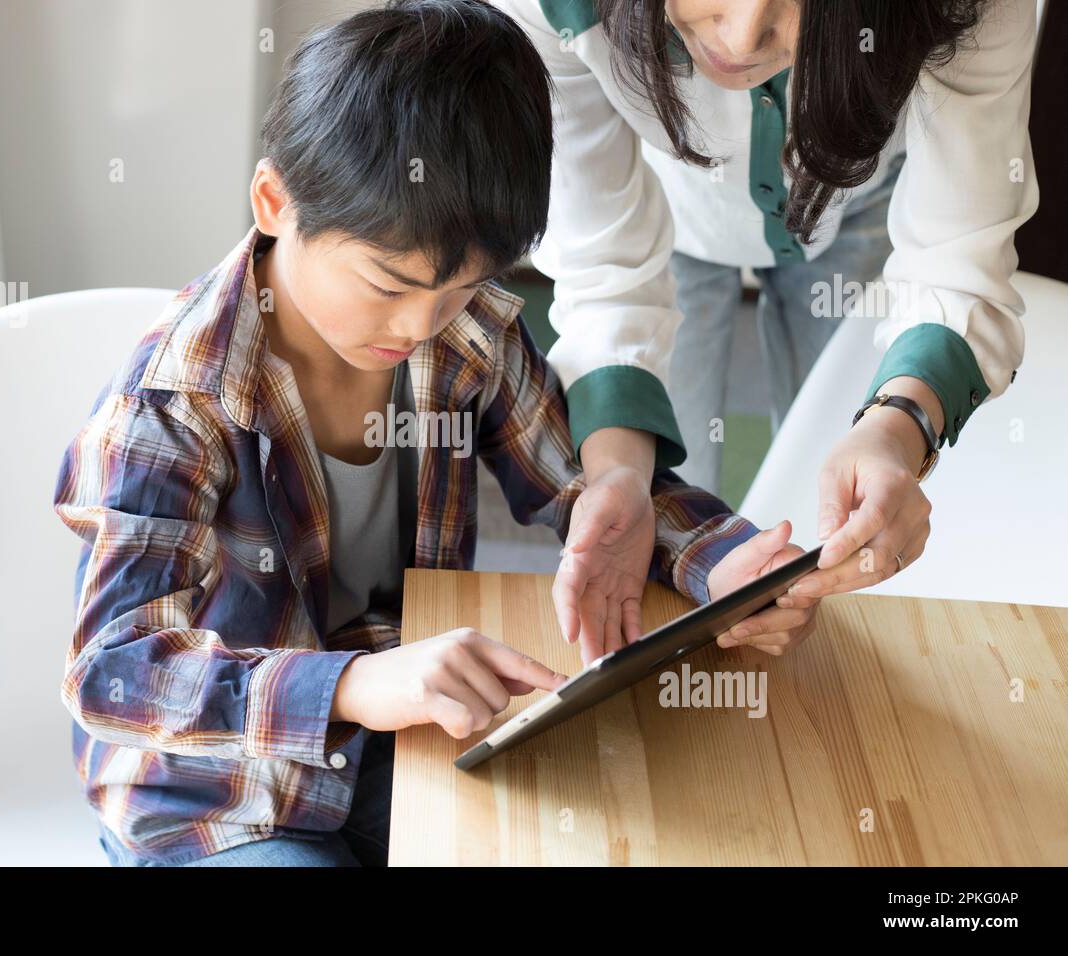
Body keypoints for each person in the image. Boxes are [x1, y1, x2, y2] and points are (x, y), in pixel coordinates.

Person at [52, 0, 819, 867]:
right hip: (217, 801)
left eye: (459, 289)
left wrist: (728, 562)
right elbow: (114, 671)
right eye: (389, 284)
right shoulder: (171, 406)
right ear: (274, 201)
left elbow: (591, 488)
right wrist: (356, 685)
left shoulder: (467, 333)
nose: (421, 324)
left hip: (399, 750)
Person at [494, 0, 1038, 657]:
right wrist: (618, 476)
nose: (742, 36)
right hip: (673, 207)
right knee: (663, 462)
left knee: (841, 494)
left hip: (859, 201)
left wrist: (900, 426)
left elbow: (959, 253)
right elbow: (601, 262)